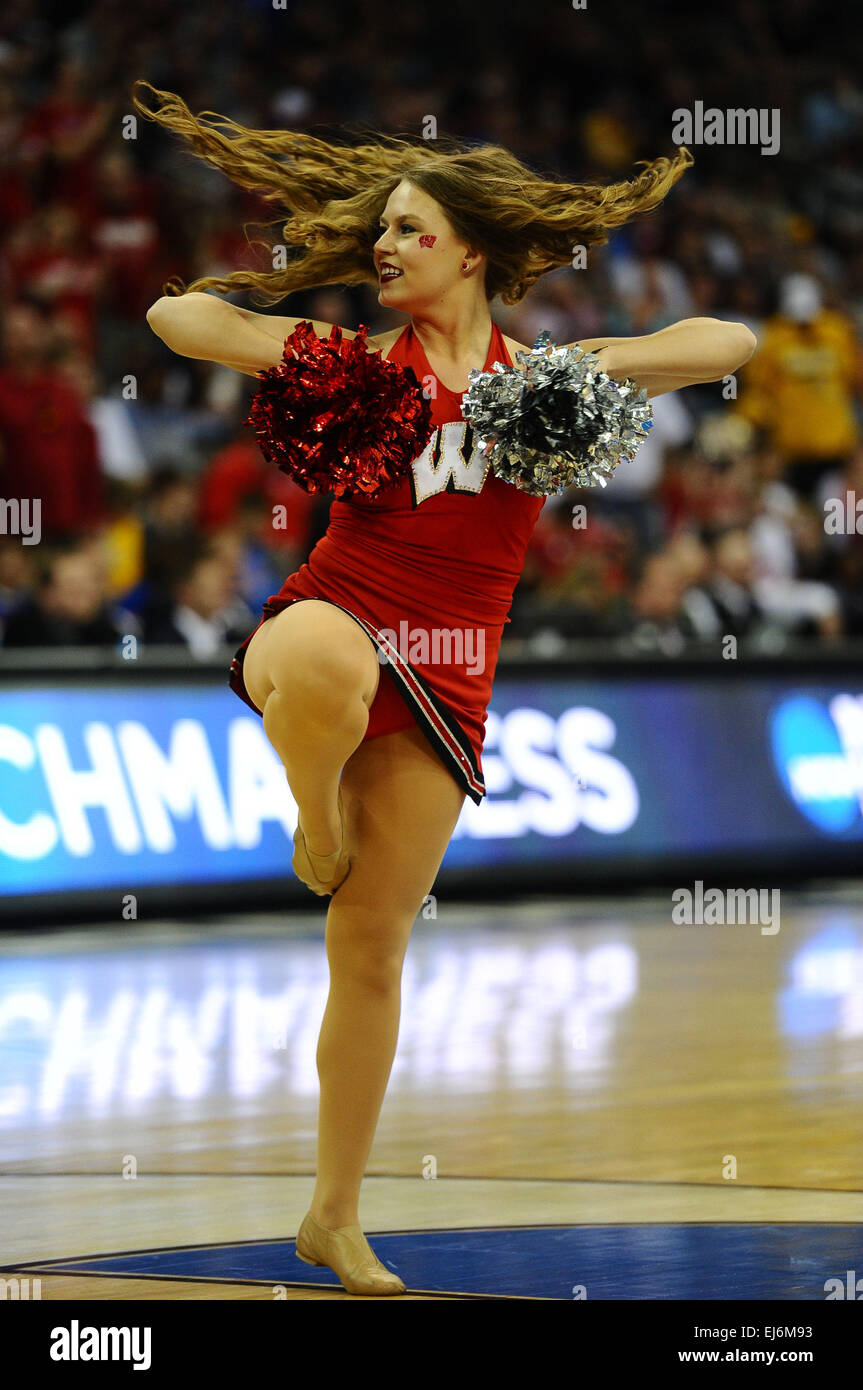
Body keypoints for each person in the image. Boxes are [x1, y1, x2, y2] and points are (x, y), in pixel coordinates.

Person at [135, 80, 756, 1296]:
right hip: (321, 625)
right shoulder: (360, 361)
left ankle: (333, 1216)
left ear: (473, 253)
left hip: (447, 674)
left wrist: (575, 369)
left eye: (413, 229)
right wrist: (260, 313)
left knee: (369, 953)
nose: (384, 244)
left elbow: (724, 344)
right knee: (325, 661)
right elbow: (177, 327)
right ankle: (314, 818)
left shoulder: (543, 380)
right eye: (381, 230)